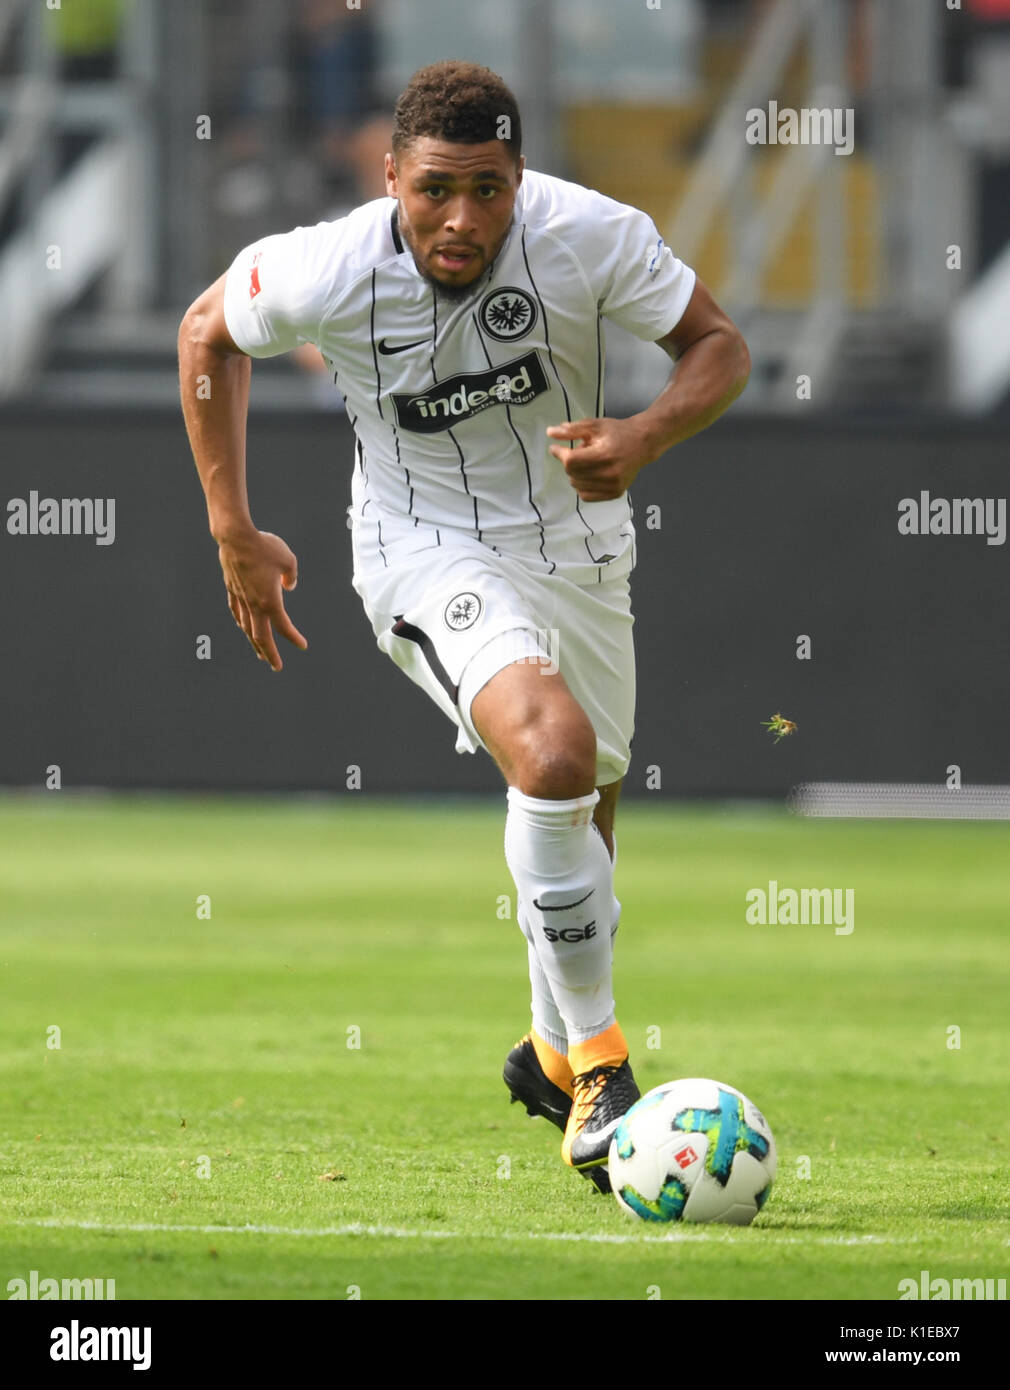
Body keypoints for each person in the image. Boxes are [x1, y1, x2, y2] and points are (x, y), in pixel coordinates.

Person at [178, 60, 750, 1194]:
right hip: (417, 547)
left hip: (581, 554)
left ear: (518, 177)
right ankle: (599, 1069)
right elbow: (206, 335)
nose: (460, 217)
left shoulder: (589, 235)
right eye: (435, 187)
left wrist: (644, 436)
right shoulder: (329, 265)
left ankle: (547, 1054)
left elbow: (719, 346)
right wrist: (231, 528)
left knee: (583, 829)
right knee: (550, 753)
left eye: (487, 190)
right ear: (390, 173)